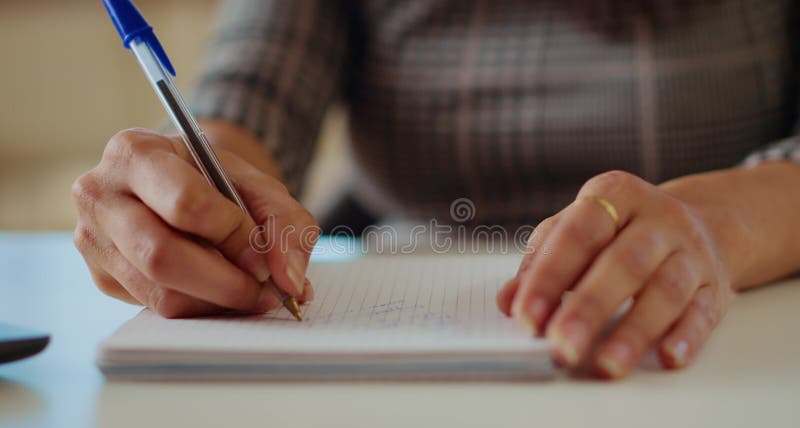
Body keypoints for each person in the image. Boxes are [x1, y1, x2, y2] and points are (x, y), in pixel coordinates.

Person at [72, 0, 800, 378]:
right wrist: (191, 192)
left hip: (750, 321)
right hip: (394, 318)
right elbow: (251, 96)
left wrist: (719, 225)